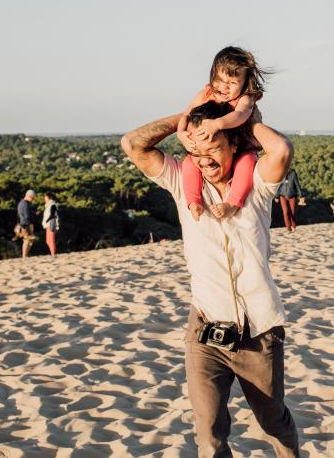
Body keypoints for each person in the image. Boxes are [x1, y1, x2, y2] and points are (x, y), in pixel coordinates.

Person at [121, 101, 301, 458]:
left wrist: (239, 121)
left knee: (273, 422)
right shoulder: (181, 180)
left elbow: (281, 149)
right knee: (209, 433)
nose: (203, 159)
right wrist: (187, 123)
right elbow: (132, 144)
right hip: (205, 328)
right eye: (195, 150)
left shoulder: (258, 183)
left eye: (213, 147)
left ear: (233, 144)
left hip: (258, 331)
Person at [177, 46, 270, 223]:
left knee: (247, 162)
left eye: (232, 83)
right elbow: (185, 115)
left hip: (242, 146)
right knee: (189, 164)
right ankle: (193, 202)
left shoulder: (245, 98)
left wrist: (217, 123)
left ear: (244, 83)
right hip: (216, 150)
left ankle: (233, 203)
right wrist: (181, 133)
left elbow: (240, 115)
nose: (223, 87)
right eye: (219, 80)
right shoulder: (205, 94)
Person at [14, 189, 38, 257]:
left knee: (29, 240)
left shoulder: (21, 203)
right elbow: (27, 215)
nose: (32, 200)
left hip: (22, 223)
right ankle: (24, 255)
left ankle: (25, 255)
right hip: (26, 224)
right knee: (27, 240)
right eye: (32, 198)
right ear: (29, 196)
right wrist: (34, 215)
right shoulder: (25, 203)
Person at [41, 192, 59, 256]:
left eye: (45, 197)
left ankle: (53, 254)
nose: (44, 198)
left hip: (51, 224)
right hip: (48, 225)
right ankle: (53, 253)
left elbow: (55, 216)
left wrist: (57, 226)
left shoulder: (52, 205)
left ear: (49, 197)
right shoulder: (48, 205)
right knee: (48, 241)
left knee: (51, 240)